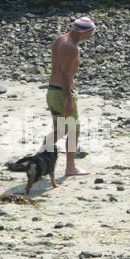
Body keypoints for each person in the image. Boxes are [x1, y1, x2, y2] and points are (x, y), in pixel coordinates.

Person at [44, 16, 95, 177]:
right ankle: (70, 167)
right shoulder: (72, 47)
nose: (90, 37)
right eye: (91, 33)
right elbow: (65, 73)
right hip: (61, 92)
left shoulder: (60, 39)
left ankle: (40, 157)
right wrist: (68, 98)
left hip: (53, 90)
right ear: (85, 33)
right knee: (73, 130)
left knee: (61, 130)